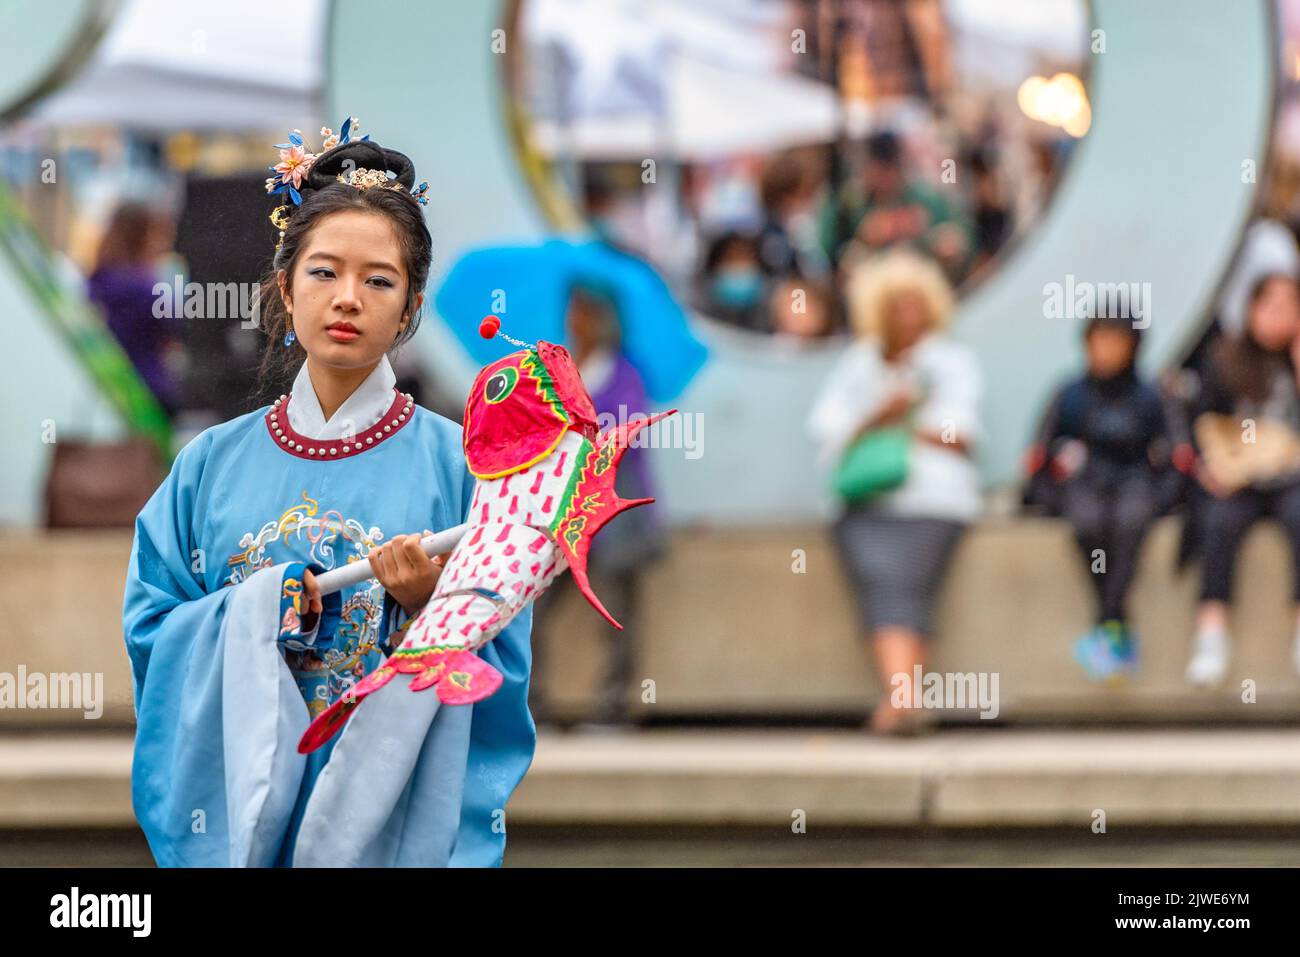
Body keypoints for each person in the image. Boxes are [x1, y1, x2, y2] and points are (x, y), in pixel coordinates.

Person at [121, 119, 534, 867]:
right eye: (324, 272)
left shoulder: (465, 467)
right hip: (246, 827)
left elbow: (502, 669)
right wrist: (253, 610)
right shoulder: (206, 466)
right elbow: (153, 632)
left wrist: (429, 609)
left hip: (395, 823)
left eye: (379, 280)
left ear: (409, 309)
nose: (348, 298)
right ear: (284, 285)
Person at [807, 249, 982, 734]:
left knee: (904, 589)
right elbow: (825, 428)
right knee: (886, 589)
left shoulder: (951, 362)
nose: (906, 314)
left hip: (931, 500)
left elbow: (962, 434)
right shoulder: (858, 364)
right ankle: (903, 698)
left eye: (914, 303)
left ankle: (898, 698)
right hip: (865, 502)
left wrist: (906, 422)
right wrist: (876, 416)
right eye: (896, 304)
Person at [529, 280, 666, 728]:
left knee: (614, 609)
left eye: (584, 312)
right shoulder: (557, 368)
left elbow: (626, 431)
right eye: (573, 311)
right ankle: (532, 703)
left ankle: (615, 705)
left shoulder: (623, 371)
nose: (575, 320)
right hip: (562, 507)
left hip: (612, 508)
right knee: (534, 604)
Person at [1023, 310, 1182, 682]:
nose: (1107, 351)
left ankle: (1108, 620)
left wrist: (1164, 496)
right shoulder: (1069, 394)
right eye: (1099, 341)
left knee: (1130, 523)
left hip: (1136, 483)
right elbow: (1039, 455)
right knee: (1088, 524)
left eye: (1117, 342)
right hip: (1084, 485)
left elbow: (1177, 454)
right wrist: (1049, 494)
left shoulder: (1151, 395)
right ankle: (1113, 619)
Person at [1184, 272, 1300, 686]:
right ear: (1251, 308)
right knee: (1218, 522)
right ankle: (1211, 634)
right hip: (1235, 478)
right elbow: (1200, 423)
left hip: (1289, 477)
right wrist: (1212, 467)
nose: (1279, 317)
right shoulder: (1224, 358)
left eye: (1290, 308)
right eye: (1271, 306)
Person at [87, 201, 186, 415]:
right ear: (142, 236)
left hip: (108, 389)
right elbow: (174, 332)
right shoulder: (145, 289)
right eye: (160, 234)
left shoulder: (98, 279)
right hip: (148, 392)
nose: (166, 243)